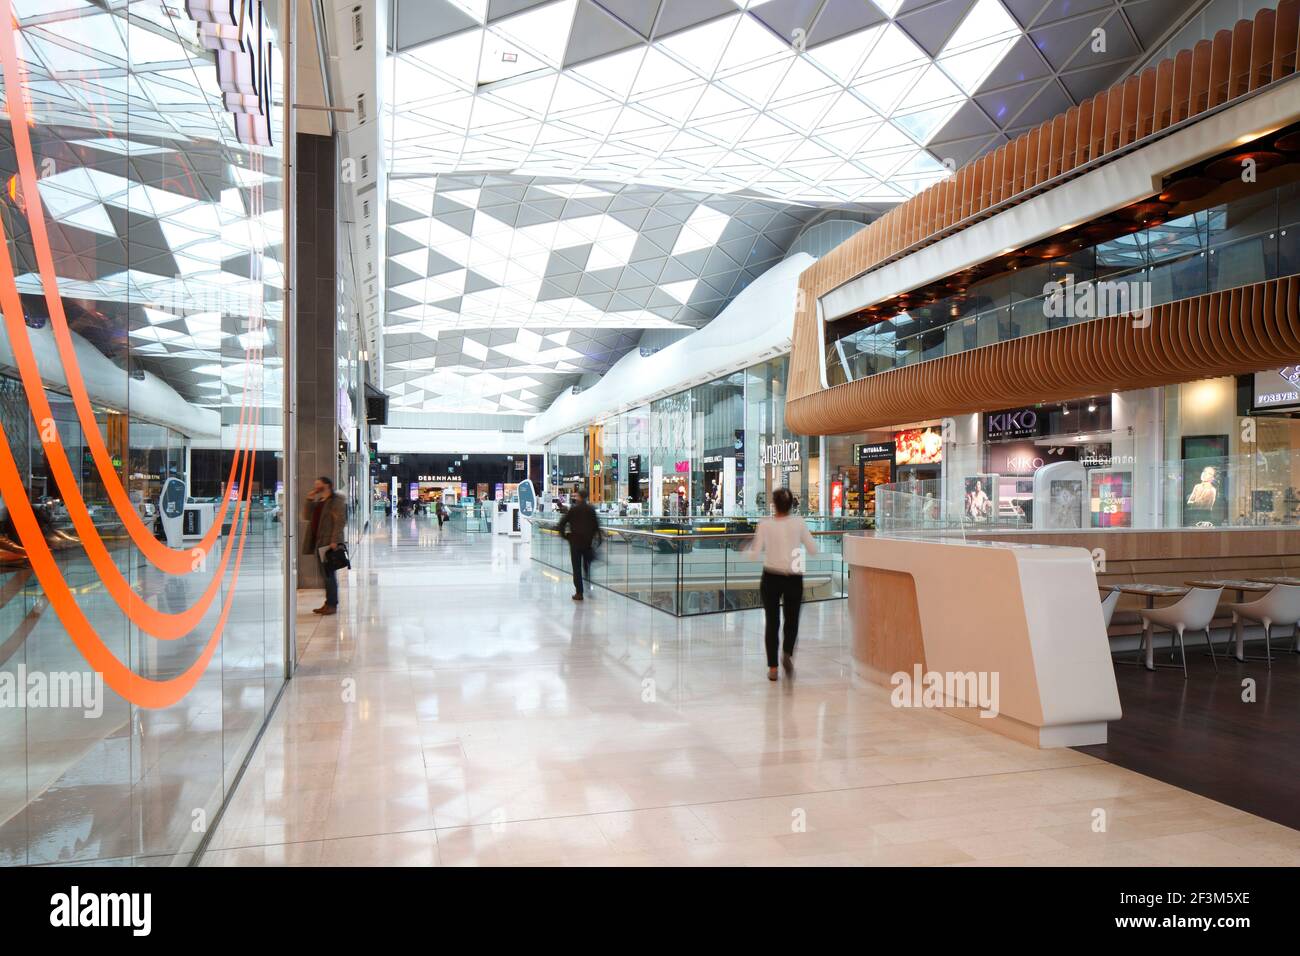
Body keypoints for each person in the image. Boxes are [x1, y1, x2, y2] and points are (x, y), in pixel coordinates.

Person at [746, 487, 816, 682]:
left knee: (772, 622)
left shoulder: (765, 524)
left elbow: (754, 553)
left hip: (770, 576)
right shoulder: (799, 523)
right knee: (791, 620)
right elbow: (812, 548)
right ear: (791, 504)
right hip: (794, 575)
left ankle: (773, 668)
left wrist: (744, 550)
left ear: (773, 505)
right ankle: (787, 652)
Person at [302, 475, 347, 615]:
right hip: (318, 541)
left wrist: (334, 540)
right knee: (325, 574)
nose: (316, 487)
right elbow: (306, 516)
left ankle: (332, 604)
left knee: (328, 574)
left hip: (328, 542)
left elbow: (340, 521)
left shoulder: (336, 501)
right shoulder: (320, 500)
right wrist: (309, 499)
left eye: (318, 484)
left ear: (327, 485)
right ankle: (328, 603)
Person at [556, 489, 599, 601]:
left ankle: (579, 593)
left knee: (576, 567)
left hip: (575, 542)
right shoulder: (591, 509)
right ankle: (588, 586)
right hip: (587, 543)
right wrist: (595, 538)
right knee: (586, 566)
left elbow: (562, 523)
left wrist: (565, 536)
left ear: (579, 497)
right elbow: (596, 526)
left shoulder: (573, 509)